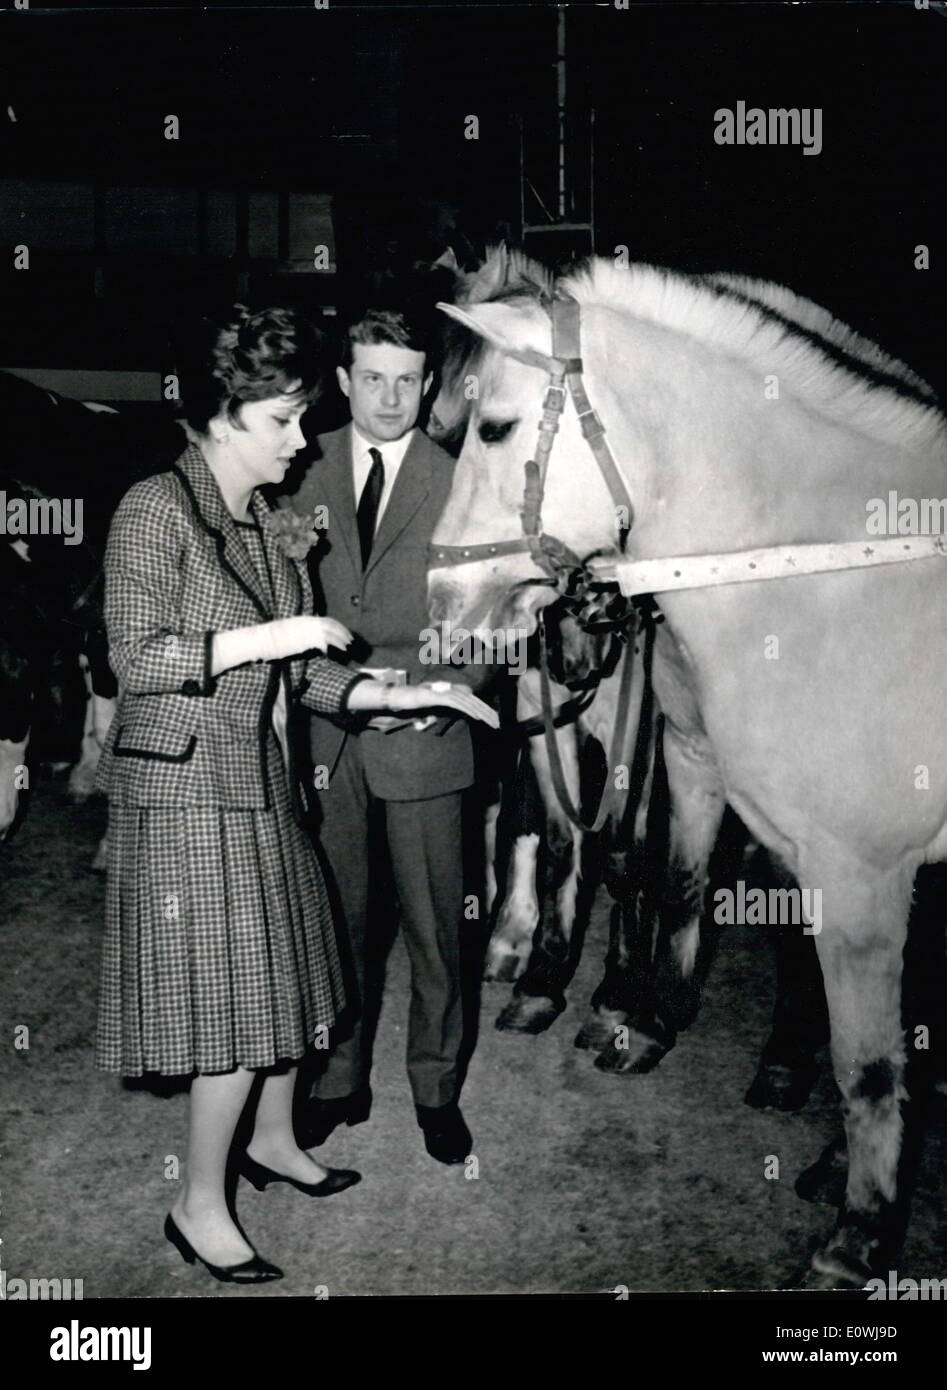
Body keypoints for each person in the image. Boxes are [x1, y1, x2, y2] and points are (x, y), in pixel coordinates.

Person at [94, 305, 497, 1284]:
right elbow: (133, 657)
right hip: (189, 793)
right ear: (219, 416)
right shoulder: (156, 507)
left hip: (262, 782)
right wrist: (263, 642)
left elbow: (310, 669)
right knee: (233, 1017)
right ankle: (198, 1204)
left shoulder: (256, 520)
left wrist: (388, 692)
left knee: (291, 984)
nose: (296, 437)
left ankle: (273, 1141)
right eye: (279, 418)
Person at [284, 306, 489, 1165]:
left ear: (429, 384)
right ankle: (337, 1081)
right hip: (327, 735)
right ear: (343, 381)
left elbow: (488, 616)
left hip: (426, 731)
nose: (391, 395)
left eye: (407, 378)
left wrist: (440, 694)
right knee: (335, 924)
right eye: (373, 377)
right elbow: (279, 599)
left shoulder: (463, 479)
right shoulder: (300, 470)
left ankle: (436, 1090)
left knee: (438, 928)